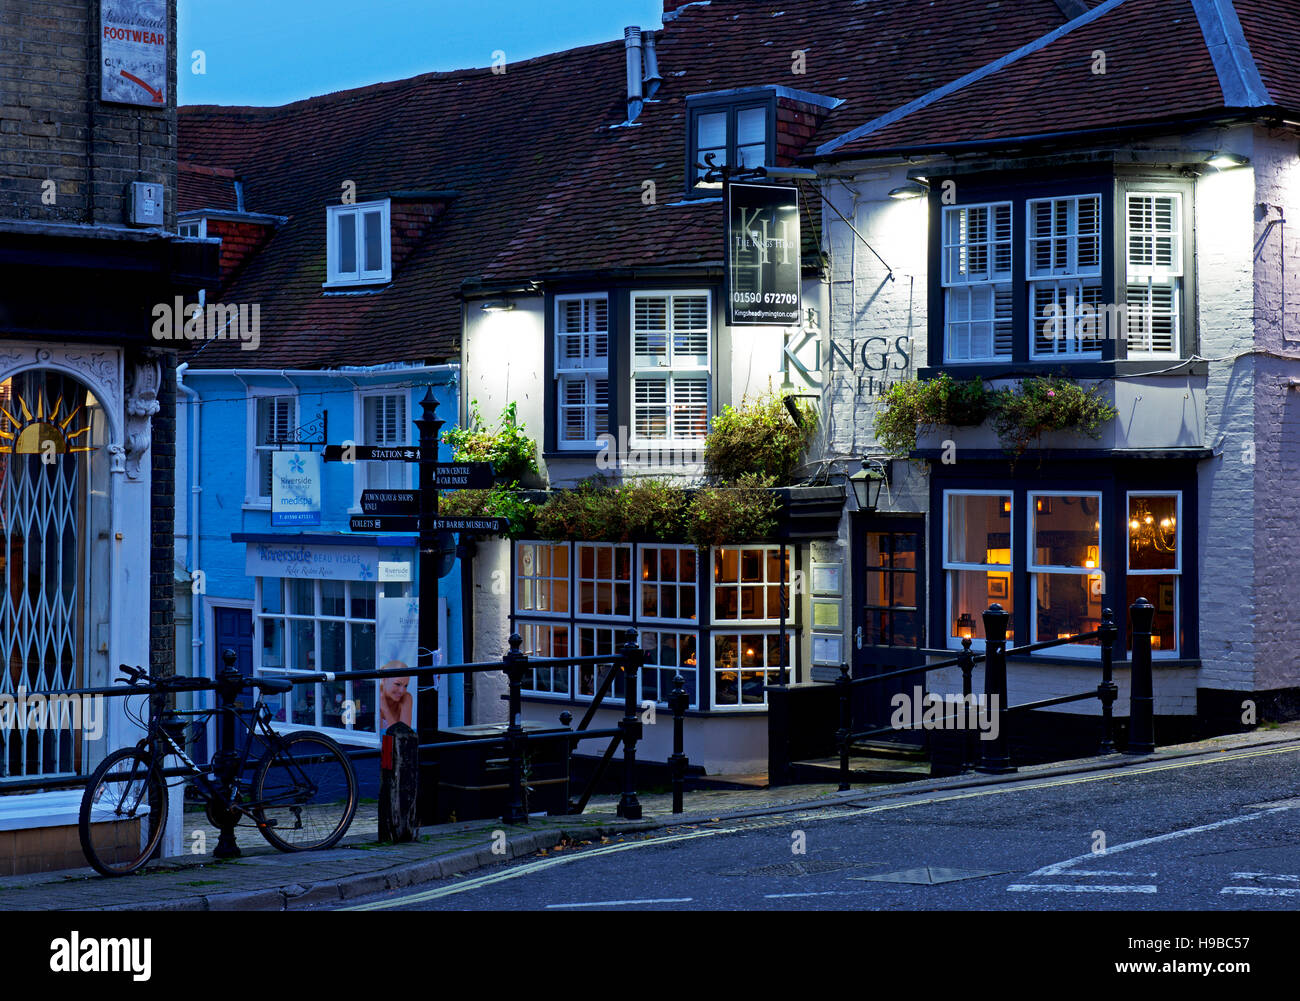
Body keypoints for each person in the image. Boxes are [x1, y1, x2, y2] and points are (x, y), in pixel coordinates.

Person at [378, 665, 413, 732]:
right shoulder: (376, 694)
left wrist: (385, 709)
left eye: (406, 686)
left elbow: (404, 735)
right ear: (384, 680)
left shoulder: (406, 697)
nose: (402, 691)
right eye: (397, 684)